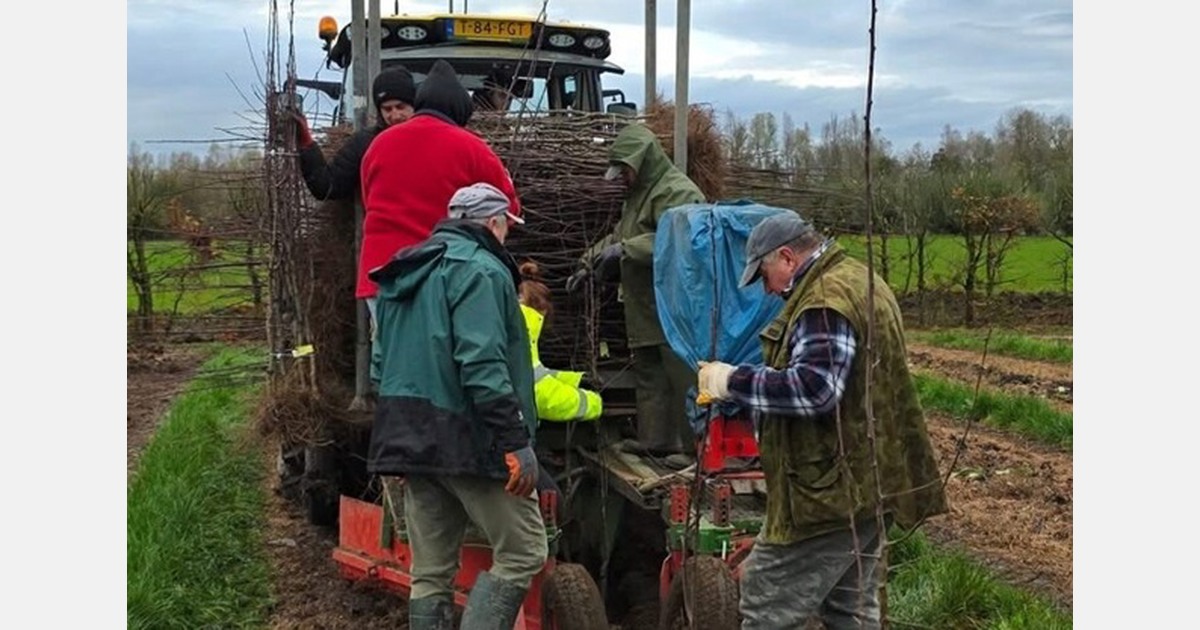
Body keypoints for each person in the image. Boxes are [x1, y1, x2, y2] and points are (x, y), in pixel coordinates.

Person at [694, 211, 949, 630]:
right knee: (850, 609)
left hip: (829, 492)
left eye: (764, 274)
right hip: (871, 481)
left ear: (788, 258)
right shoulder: (862, 280)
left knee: (766, 600)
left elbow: (814, 389)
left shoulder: (824, 301)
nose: (767, 288)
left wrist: (729, 380)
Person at [366, 182, 545, 630]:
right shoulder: (481, 270)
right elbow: (482, 364)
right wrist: (514, 440)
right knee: (524, 550)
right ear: (493, 223)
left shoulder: (404, 270)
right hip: (468, 437)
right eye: (506, 226)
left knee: (429, 572)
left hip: (409, 438)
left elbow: (378, 367)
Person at [566, 122, 705, 468]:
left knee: (682, 373)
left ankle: (694, 448)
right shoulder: (640, 194)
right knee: (649, 370)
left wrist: (624, 250)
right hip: (645, 301)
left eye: (625, 170)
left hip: (674, 301)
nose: (622, 178)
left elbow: (681, 239)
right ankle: (655, 440)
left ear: (643, 160)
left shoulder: (676, 191)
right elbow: (620, 234)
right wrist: (589, 260)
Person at [359, 58, 521, 345]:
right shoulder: (472, 147)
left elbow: (368, 198)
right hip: (439, 275)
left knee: (394, 363)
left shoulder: (377, 146)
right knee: (437, 369)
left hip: (380, 274)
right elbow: (508, 209)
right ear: (460, 111)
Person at [293, 65, 416, 201]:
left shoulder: (434, 139)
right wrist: (307, 144)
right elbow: (327, 187)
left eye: (400, 107)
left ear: (414, 105)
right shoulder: (366, 142)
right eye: (387, 109)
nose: (395, 115)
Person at [517, 261, 603, 423]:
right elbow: (539, 394)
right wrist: (593, 403)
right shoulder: (522, 330)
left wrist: (577, 379)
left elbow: (537, 373)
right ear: (540, 310)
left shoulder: (513, 327)